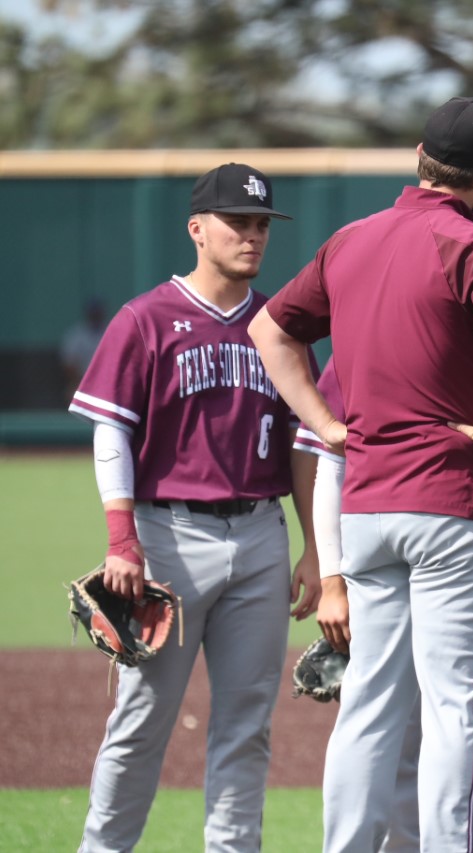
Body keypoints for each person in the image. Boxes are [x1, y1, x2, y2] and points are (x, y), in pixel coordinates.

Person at [248, 95, 473, 853]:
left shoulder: (352, 239)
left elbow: (268, 328)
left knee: (369, 706)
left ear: (419, 154)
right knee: (460, 706)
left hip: (367, 504)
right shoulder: (471, 242)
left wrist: (323, 422)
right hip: (451, 500)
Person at [68, 162, 320, 852]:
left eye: (262, 223)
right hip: (168, 537)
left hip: (263, 538)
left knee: (247, 725)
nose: (252, 234)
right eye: (238, 221)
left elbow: (306, 444)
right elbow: (109, 431)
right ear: (197, 228)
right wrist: (122, 540)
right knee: (140, 722)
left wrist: (314, 548)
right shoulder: (145, 319)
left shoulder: (279, 329)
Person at [293, 361, 473, 853]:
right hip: (428, 536)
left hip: (396, 536)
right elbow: (326, 457)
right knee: (450, 714)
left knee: (383, 716)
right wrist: (330, 578)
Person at [61, 297, 107, 402]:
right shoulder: (76, 334)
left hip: (105, 380)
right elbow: (69, 364)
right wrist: (81, 383)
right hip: (81, 380)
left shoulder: (109, 331)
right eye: (93, 312)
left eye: (97, 312)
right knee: (72, 393)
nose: (95, 315)